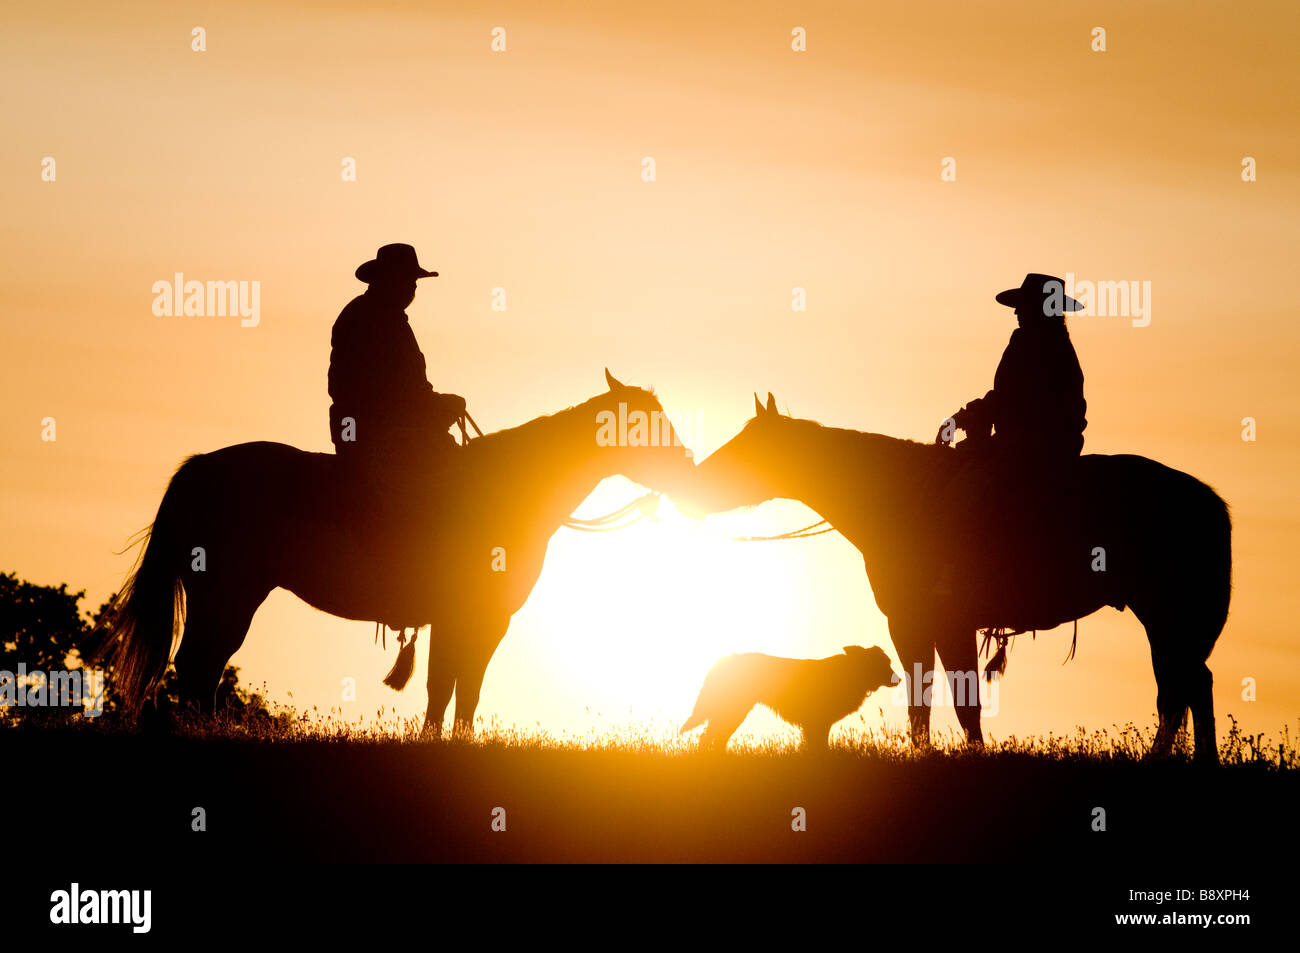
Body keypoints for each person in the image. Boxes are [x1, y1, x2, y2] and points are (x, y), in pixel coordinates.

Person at [932, 273, 1088, 596]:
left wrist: (971, 420)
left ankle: (971, 574)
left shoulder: (1045, 349)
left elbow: (1015, 400)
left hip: (1037, 449)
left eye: (1023, 307)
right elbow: (1003, 397)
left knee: (971, 488)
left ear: (1039, 309)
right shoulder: (1035, 344)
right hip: (1027, 443)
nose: (1017, 313)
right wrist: (967, 417)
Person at [327, 243, 467, 520]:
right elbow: (370, 387)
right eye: (407, 280)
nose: (412, 288)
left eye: (414, 282)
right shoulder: (368, 317)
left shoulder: (387, 317)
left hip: (379, 426)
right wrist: (429, 405)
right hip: (370, 430)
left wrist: (432, 402)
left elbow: (407, 384)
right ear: (387, 279)